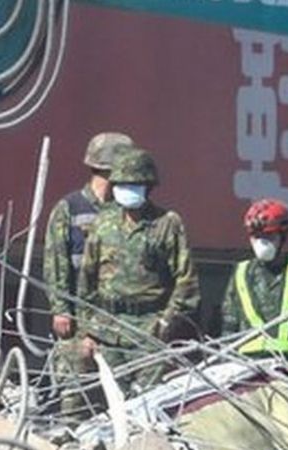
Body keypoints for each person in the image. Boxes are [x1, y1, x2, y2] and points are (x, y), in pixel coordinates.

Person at [77, 145, 200, 392]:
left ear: (148, 186)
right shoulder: (103, 224)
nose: (127, 190)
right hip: (107, 331)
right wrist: (87, 330)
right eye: (122, 183)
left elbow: (186, 282)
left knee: (145, 401)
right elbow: (86, 282)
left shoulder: (167, 224)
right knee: (115, 403)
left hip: (149, 331)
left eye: (134, 184)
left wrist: (165, 323)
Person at [221, 199, 288, 402]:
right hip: (247, 379)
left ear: (283, 236)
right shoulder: (239, 275)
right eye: (256, 237)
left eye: (268, 236)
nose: (261, 243)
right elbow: (228, 333)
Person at [43, 132, 134, 339]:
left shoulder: (127, 210)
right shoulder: (69, 208)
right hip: (79, 316)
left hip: (119, 320)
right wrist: (61, 309)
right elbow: (56, 263)